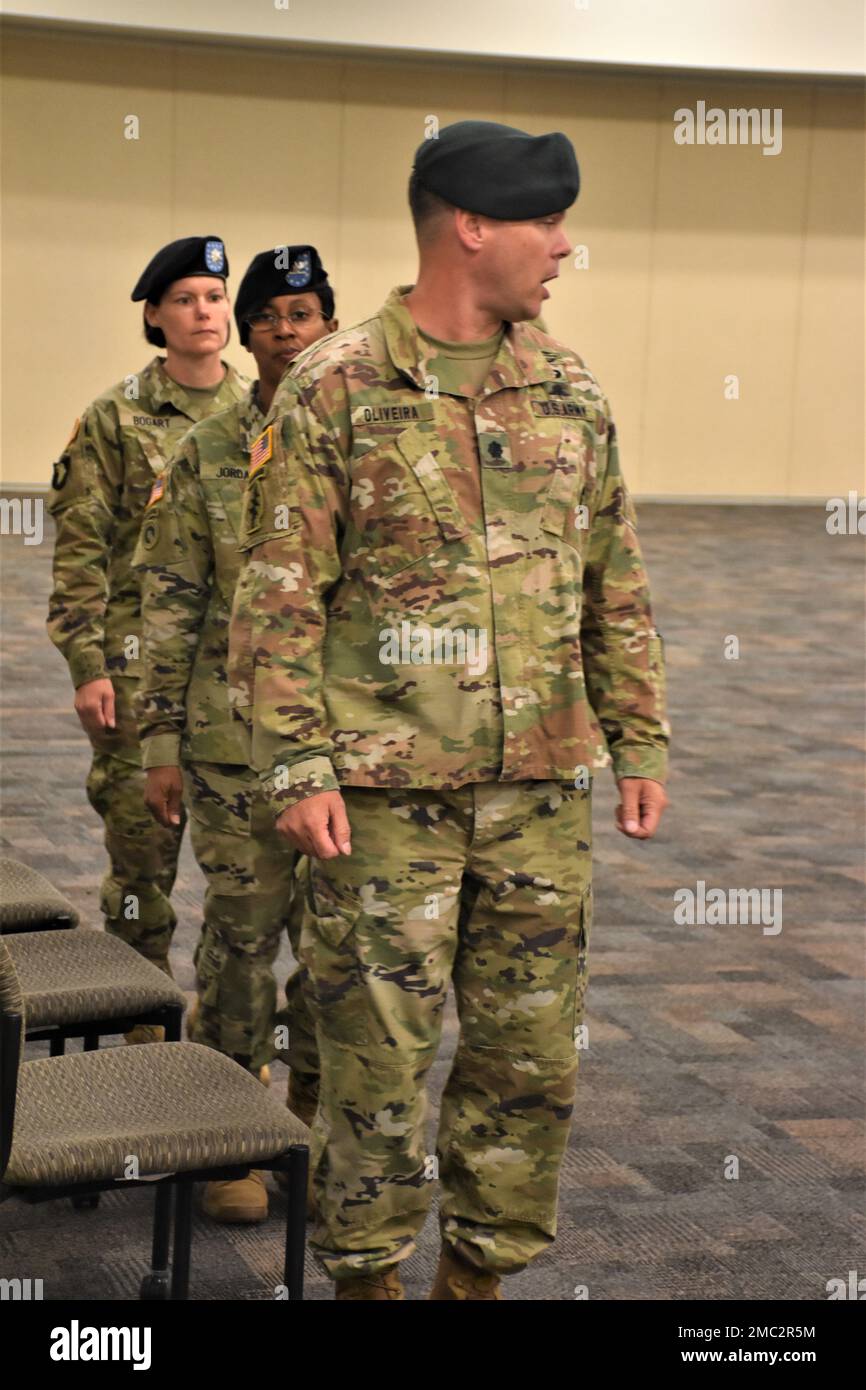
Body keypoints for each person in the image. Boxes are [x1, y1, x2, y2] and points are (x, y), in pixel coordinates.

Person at [228, 121, 670, 1300]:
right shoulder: (335, 386)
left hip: (536, 789)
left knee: (528, 1058)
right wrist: (296, 766)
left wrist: (637, 733)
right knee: (373, 1061)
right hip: (380, 802)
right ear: (469, 226)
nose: (565, 248)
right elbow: (276, 600)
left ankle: (476, 1280)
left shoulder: (567, 384)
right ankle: (368, 1279)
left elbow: (609, 575)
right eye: (546, 223)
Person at [133, 246, 336, 1223]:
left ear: (329, 324)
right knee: (242, 944)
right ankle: (229, 1137)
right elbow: (169, 603)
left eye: (306, 313)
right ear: (249, 335)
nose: (289, 331)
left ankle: (312, 1119)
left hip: (356, 751)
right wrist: (159, 742)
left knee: (345, 948)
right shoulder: (211, 452)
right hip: (233, 746)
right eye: (272, 317)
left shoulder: (373, 446)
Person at [47, 238, 248, 1038]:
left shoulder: (263, 414)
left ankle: (230, 1040)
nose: (206, 312)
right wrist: (88, 665)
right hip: (140, 674)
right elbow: (81, 546)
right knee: (142, 867)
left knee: (244, 878)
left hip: (241, 681)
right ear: (154, 317)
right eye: (188, 299)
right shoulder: (117, 415)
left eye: (216, 296)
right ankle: (142, 1027)